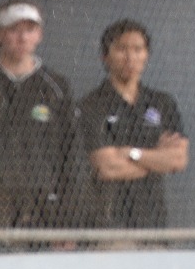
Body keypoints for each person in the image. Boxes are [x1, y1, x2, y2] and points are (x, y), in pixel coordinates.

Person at [79, 20, 188, 230]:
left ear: (146, 55)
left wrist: (131, 154)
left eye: (138, 49)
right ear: (105, 56)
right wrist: (156, 161)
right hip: (109, 224)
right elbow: (107, 167)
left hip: (154, 223)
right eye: (121, 49)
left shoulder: (162, 102)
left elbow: (178, 159)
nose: (130, 58)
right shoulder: (91, 105)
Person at [0, 0, 80, 229]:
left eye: (30, 29)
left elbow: (73, 150)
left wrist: (69, 215)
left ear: (39, 35)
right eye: (14, 30)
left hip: (45, 203)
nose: (23, 37)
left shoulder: (56, 86)